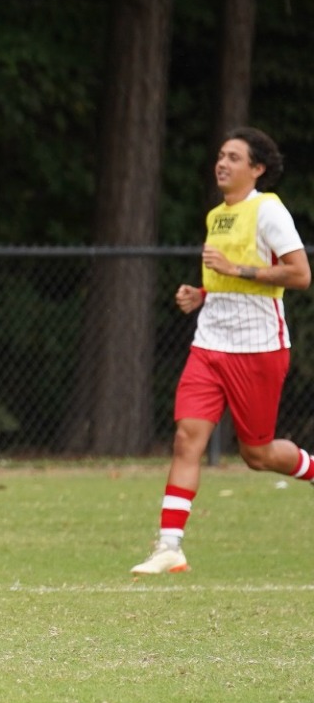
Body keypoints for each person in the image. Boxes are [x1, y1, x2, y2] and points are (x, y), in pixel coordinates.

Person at [132, 129, 314, 575]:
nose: (223, 163)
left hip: (258, 349)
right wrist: (202, 294)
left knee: (259, 454)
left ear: (257, 169)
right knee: (186, 438)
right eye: (220, 155)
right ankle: (170, 546)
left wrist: (238, 269)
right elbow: (225, 282)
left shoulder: (269, 211)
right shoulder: (217, 215)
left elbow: (299, 275)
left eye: (234, 157)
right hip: (210, 344)